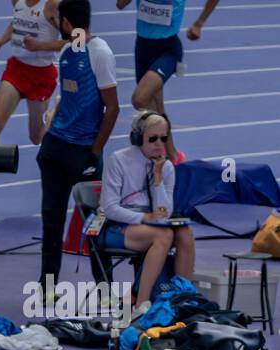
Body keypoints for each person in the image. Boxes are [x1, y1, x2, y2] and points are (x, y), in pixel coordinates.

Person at [35, 0, 118, 298]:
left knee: (94, 223)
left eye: (58, 19)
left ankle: (106, 289)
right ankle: (47, 287)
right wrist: (50, 131)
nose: (55, 23)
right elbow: (65, 98)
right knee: (51, 218)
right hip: (55, 147)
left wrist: (94, 152)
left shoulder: (100, 54)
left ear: (68, 23)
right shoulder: (68, 50)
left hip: (84, 151)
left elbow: (113, 108)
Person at [98, 110, 195, 312]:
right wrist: (144, 217)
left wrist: (157, 178)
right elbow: (109, 208)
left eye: (164, 138)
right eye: (153, 139)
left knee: (185, 233)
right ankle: (141, 302)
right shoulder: (118, 160)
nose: (159, 144)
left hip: (150, 225)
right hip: (118, 225)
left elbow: (165, 212)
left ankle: (184, 298)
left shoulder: (166, 166)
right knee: (163, 235)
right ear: (137, 138)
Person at [0, 1, 64, 203]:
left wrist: (40, 46)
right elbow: (17, 21)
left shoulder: (52, 5)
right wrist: (1, 41)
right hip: (16, 70)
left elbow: (75, 40)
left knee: (36, 137)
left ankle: (55, 110)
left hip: (41, 75)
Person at [116, 0, 219, 163]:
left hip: (167, 50)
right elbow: (119, 4)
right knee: (156, 108)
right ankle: (173, 157)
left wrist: (199, 23)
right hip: (142, 48)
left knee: (140, 99)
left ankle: (170, 154)